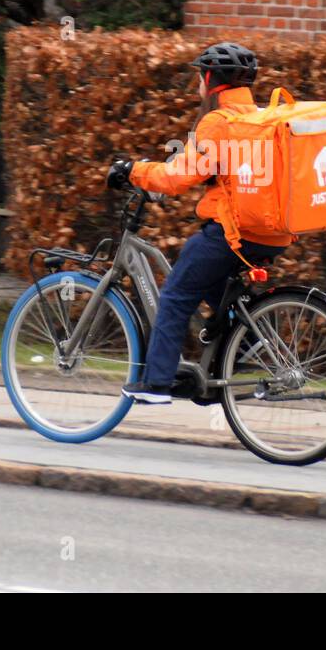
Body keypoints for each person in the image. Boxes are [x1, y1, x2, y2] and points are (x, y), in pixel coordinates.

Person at [107, 42, 290, 404]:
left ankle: (157, 384)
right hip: (273, 234)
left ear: (211, 79)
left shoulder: (218, 122)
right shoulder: (258, 119)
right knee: (214, 290)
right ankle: (239, 354)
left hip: (232, 234)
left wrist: (134, 171)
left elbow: (180, 176)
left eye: (199, 78)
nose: (197, 87)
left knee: (175, 294)